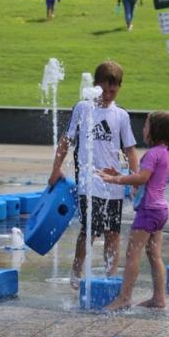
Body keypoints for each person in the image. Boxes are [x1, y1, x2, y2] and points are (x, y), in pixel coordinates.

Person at [48, 60, 138, 287]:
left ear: (119, 88)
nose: (108, 95)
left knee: (113, 234)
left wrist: (135, 177)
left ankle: (110, 277)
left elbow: (129, 150)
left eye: (113, 90)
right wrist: (56, 168)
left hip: (114, 185)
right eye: (104, 89)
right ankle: (77, 272)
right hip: (89, 182)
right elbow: (66, 140)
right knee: (89, 231)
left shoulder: (121, 116)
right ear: (95, 85)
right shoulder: (83, 108)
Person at [98, 112, 169, 311]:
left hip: (148, 210)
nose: (143, 129)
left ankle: (124, 298)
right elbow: (147, 178)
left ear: (155, 130)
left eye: (146, 125)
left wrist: (116, 180)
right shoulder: (165, 153)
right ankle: (159, 298)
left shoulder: (152, 154)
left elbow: (142, 179)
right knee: (154, 254)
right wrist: (121, 174)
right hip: (160, 210)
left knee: (132, 254)